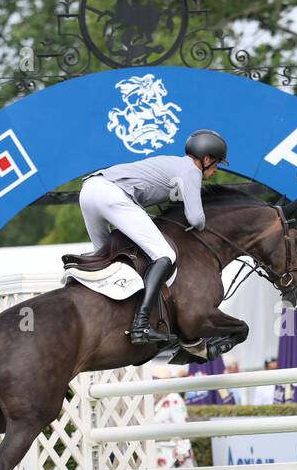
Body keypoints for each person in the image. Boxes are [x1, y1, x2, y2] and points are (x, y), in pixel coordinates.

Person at [78, 129, 229, 346]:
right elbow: (196, 219)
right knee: (165, 254)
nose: (215, 170)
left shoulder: (173, 163)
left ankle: (104, 316)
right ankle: (140, 325)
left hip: (89, 191)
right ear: (206, 159)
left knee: (105, 260)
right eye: (216, 164)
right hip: (111, 194)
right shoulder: (191, 171)